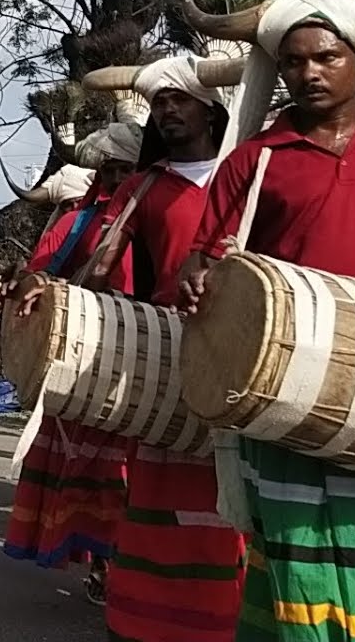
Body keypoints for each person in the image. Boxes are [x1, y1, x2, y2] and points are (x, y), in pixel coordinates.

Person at [178, 0, 355, 642]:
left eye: (326, 57)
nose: (308, 72)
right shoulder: (252, 161)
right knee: (294, 558)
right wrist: (202, 280)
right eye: (293, 62)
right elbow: (201, 261)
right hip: (285, 390)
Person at [78, 56, 247, 642]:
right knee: (160, 493)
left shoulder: (249, 169)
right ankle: (146, 621)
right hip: (171, 352)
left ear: (213, 108)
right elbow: (99, 270)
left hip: (252, 356)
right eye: (159, 102)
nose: (169, 109)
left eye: (180, 98)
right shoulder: (142, 185)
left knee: (241, 493)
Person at [0, 126, 138, 605]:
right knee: (94, 469)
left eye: (127, 169)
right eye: (111, 170)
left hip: (150, 357)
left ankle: (132, 563)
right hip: (90, 359)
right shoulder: (79, 221)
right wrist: (28, 284)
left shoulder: (154, 210)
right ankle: (104, 565)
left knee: (135, 471)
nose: (119, 178)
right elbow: (42, 270)